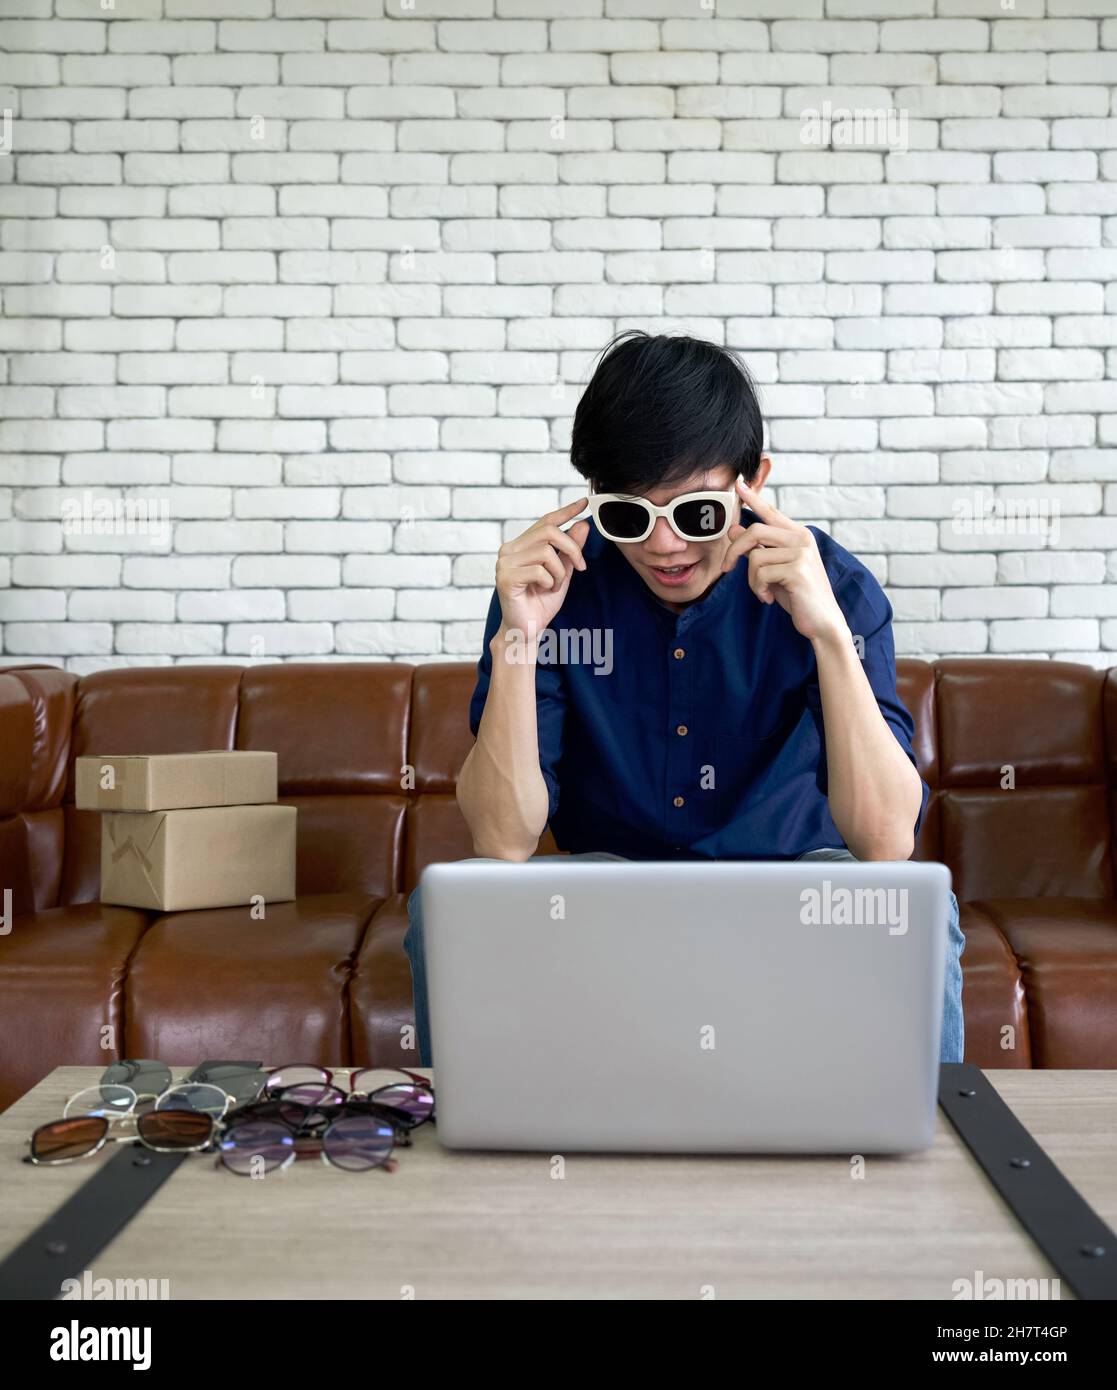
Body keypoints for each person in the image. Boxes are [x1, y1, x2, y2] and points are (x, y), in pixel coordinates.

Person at [404, 330, 964, 1067]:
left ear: (751, 483)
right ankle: (487, 1155)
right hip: (609, 883)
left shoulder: (833, 586)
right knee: (446, 913)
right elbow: (503, 841)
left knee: (918, 914)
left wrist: (826, 632)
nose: (663, 547)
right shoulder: (552, 590)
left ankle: (944, 1156)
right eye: (628, 516)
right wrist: (519, 634)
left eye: (695, 513)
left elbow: (887, 842)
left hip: (791, 881)